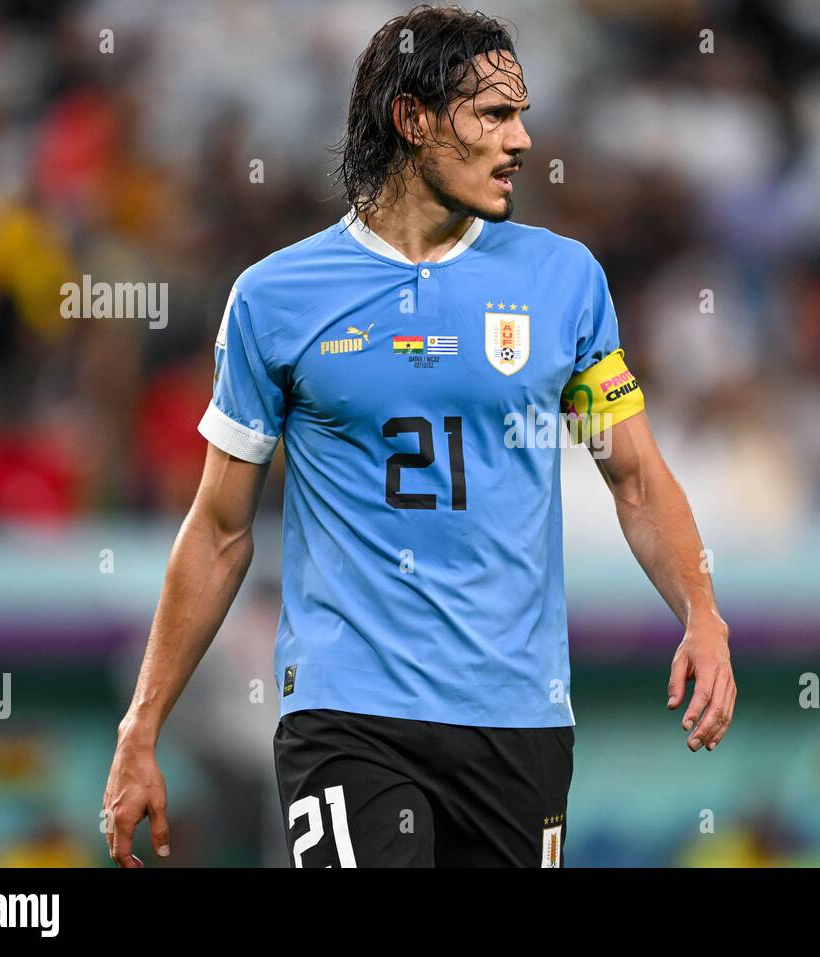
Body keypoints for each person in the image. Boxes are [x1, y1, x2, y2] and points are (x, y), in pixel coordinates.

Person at [103, 3, 733, 869]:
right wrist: (144, 723)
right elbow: (218, 529)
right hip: (349, 711)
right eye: (495, 115)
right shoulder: (276, 300)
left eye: (522, 114)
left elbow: (632, 475)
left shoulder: (564, 284)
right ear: (413, 119)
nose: (522, 140)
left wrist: (703, 613)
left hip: (518, 713)